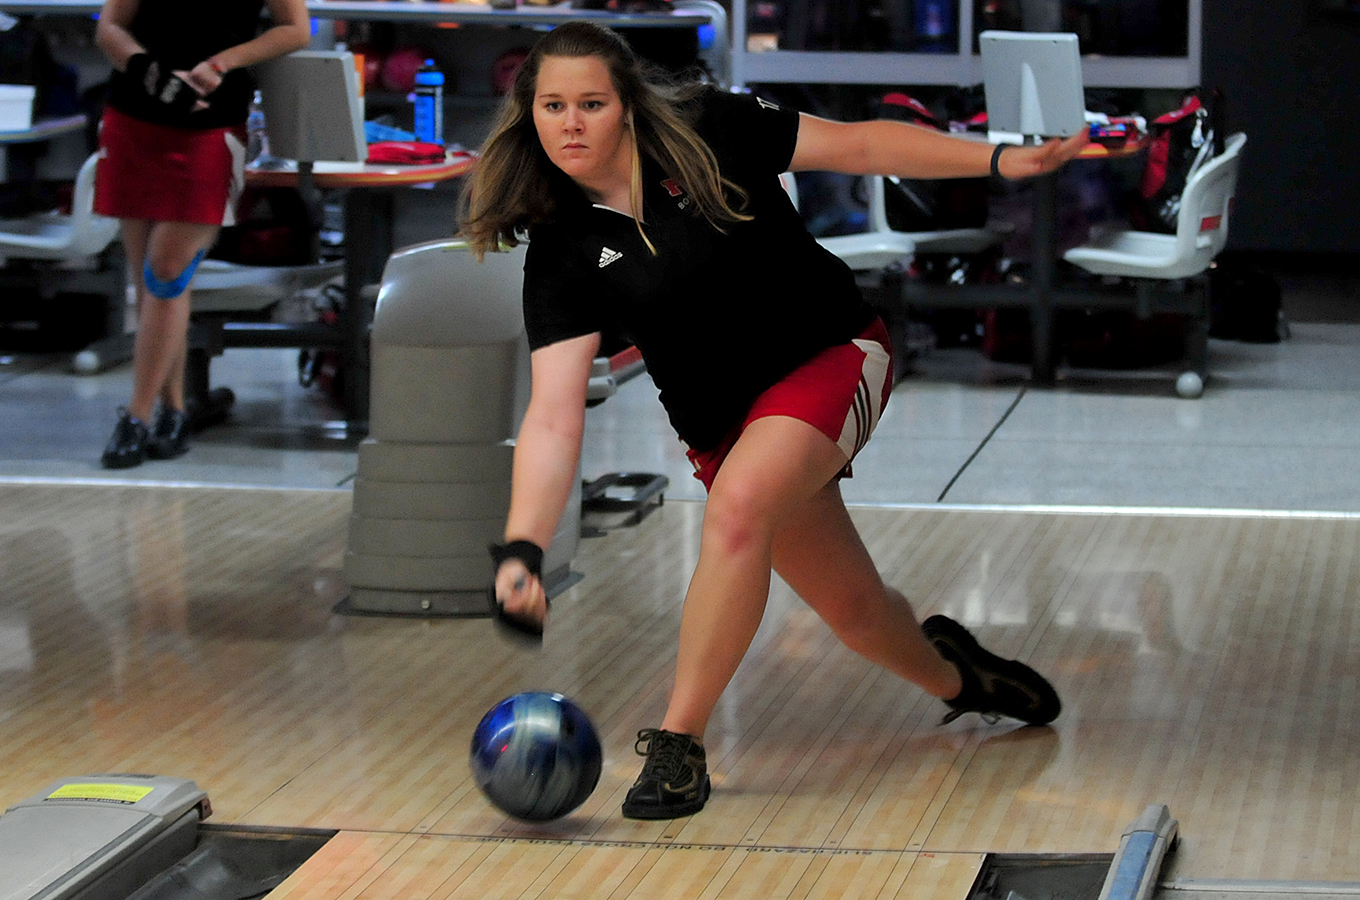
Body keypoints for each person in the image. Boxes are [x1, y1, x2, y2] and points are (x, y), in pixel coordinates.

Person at [459, 21, 1087, 821]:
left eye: (591, 102)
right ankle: (961, 676)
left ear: (628, 105)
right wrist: (523, 547)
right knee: (857, 614)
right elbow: (552, 418)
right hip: (726, 429)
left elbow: (859, 148)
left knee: (738, 510)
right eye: (553, 105)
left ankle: (680, 744)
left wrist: (1002, 159)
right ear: (530, 115)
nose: (572, 123)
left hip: (831, 355)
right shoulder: (562, 252)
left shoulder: (711, 128)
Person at [94, 0, 309, 468]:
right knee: (149, 281)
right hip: (133, 119)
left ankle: (135, 415)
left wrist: (223, 62)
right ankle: (173, 411)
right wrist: (148, 71)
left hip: (210, 126)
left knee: (166, 273)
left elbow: (295, 29)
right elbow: (110, 27)